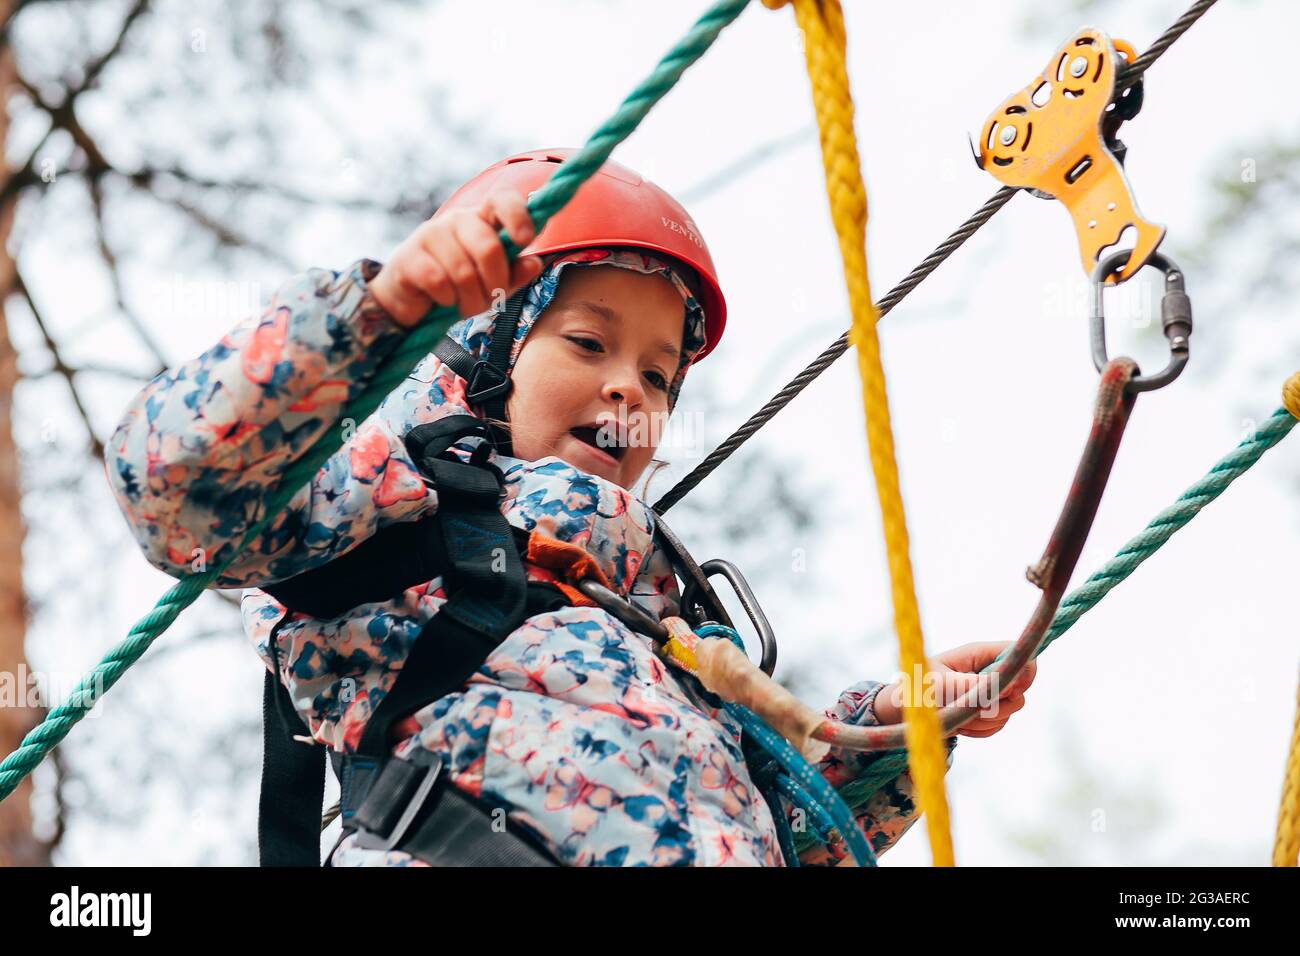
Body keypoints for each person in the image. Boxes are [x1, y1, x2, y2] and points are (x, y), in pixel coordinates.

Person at [104, 148, 1035, 866]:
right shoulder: (395, 502)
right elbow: (175, 489)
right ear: (485, 346)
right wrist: (377, 315)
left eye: (659, 374)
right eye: (588, 341)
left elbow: (787, 838)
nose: (630, 390)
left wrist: (899, 731)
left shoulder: (666, 622)